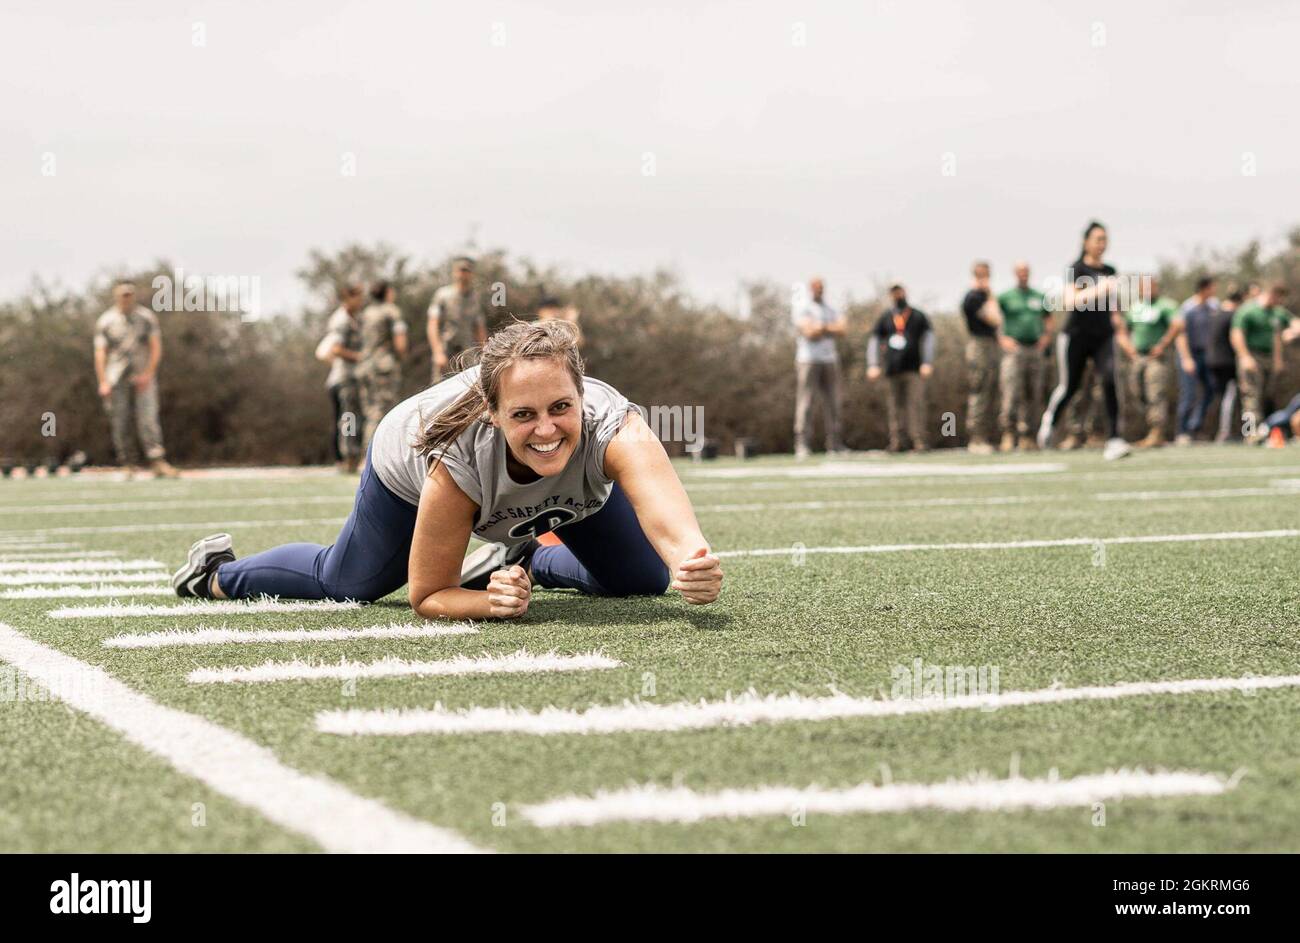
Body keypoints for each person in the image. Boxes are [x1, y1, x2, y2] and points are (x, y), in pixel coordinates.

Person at [171, 320, 723, 618]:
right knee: (350, 585)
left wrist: (691, 563)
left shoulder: (614, 425)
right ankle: (216, 573)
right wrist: (489, 603)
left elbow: (675, 529)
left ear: (582, 395)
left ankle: (527, 556)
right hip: (405, 467)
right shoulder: (458, 457)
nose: (548, 429)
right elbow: (428, 594)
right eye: (523, 415)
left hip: (556, 500)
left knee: (643, 581)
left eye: (561, 407)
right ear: (492, 413)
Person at [1037, 221, 1131, 461]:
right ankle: (1050, 424)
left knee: (1110, 380)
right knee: (1070, 387)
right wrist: (1099, 289)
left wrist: (1118, 320)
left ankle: (1114, 439)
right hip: (1076, 335)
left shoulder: (1110, 270)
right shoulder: (1076, 269)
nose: (1102, 244)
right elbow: (1071, 301)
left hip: (1103, 336)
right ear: (1085, 241)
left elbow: (1112, 305)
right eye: (1097, 239)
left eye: (1105, 239)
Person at [93, 281, 179, 479]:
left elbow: (156, 346)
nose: (127, 298)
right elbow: (100, 353)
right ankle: (127, 464)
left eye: (130, 294)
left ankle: (157, 461)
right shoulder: (106, 320)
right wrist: (103, 381)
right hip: (116, 376)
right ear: (116, 296)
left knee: (148, 418)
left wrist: (148, 373)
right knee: (120, 420)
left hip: (143, 375)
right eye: (123, 294)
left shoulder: (146, 317)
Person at [867, 285, 935, 452]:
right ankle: (897, 442)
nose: (897, 294)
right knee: (894, 408)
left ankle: (918, 441)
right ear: (891, 294)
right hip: (892, 369)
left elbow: (929, 338)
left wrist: (927, 361)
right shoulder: (886, 317)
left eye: (900, 291)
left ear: (905, 292)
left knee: (915, 405)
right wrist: (873, 364)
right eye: (894, 292)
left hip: (913, 368)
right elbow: (874, 340)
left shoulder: (918, 315)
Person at [1115, 276, 1181, 448]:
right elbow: (1122, 331)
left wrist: (1163, 345)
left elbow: (1177, 324)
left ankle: (1156, 432)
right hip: (1138, 358)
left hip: (1157, 359)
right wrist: (1129, 348)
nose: (1148, 290)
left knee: (1155, 393)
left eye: (1151, 287)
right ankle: (1149, 430)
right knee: (1137, 393)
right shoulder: (1135, 308)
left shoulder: (1165, 306)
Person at [996, 261, 1054, 451]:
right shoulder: (1005, 297)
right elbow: (995, 318)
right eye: (1020, 272)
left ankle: (1028, 435)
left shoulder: (1039, 296)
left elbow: (1048, 318)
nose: (1023, 275)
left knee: (1033, 393)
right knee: (1011, 392)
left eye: (1026, 272)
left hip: (1034, 350)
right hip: (1015, 350)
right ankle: (1008, 433)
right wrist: (1002, 338)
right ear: (1015, 274)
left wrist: (1046, 337)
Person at [792, 277, 847, 459]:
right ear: (810, 289)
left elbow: (842, 329)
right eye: (816, 287)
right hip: (808, 359)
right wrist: (827, 328)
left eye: (821, 287)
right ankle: (802, 444)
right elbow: (809, 333)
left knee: (833, 402)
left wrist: (820, 327)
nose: (819, 290)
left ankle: (835, 444)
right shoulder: (803, 307)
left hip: (829, 359)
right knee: (806, 402)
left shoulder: (830, 308)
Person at [1231, 282, 1292, 443]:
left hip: (1270, 358)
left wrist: (1291, 333)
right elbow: (1236, 333)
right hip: (1252, 356)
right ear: (1270, 294)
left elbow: (1290, 326)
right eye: (1278, 298)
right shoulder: (1248, 310)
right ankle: (1249, 432)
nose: (1279, 302)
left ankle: (1265, 431)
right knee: (1250, 395)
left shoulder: (1277, 313)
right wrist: (1244, 357)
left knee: (1268, 396)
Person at [356, 280, 409, 456]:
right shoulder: (391, 311)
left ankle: (365, 453)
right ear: (387, 293)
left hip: (364, 365)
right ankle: (375, 456)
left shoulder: (365, 313)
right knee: (384, 411)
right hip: (383, 367)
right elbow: (400, 340)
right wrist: (401, 357)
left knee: (370, 411)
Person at [320, 282, 365, 473]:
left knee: (353, 418)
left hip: (354, 377)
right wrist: (360, 357)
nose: (361, 301)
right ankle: (347, 457)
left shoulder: (356, 318)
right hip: (344, 378)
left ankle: (350, 455)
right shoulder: (340, 320)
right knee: (348, 419)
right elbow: (336, 349)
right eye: (358, 296)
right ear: (348, 298)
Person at [960, 261, 1002, 454]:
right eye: (981, 275)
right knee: (980, 392)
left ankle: (988, 437)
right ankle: (977, 439)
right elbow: (995, 319)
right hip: (979, 346)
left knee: (991, 391)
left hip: (991, 344)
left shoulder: (983, 296)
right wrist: (991, 296)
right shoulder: (973, 297)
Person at [427, 257, 489, 384]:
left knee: (468, 391)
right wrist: (438, 352)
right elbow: (433, 325)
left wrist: (485, 354)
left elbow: (479, 328)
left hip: (467, 353)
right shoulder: (443, 295)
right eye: (460, 270)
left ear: (471, 274)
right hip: (446, 351)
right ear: (454, 272)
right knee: (440, 389)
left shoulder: (474, 298)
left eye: (466, 271)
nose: (463, 274)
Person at [1173, 276, 1218, 445]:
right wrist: (1186, 359)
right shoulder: (1188, 308)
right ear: (1204, 288)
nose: (1214, 291)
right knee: (1189, 394)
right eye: (1213, 287)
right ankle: (1182, 432)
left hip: (1206, 356)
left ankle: (1194, 426)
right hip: (1189, 355)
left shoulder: (1213, 306)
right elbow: (1180, 334)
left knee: (1210, 389)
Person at [1205, 286, 1243, 443]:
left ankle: (1211, 431)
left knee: (1218, 397)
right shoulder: (1234, 316)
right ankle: (1224, 432)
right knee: (1231, 397)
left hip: (1212, 360)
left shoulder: (1214, 314)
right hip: (1228, 361)